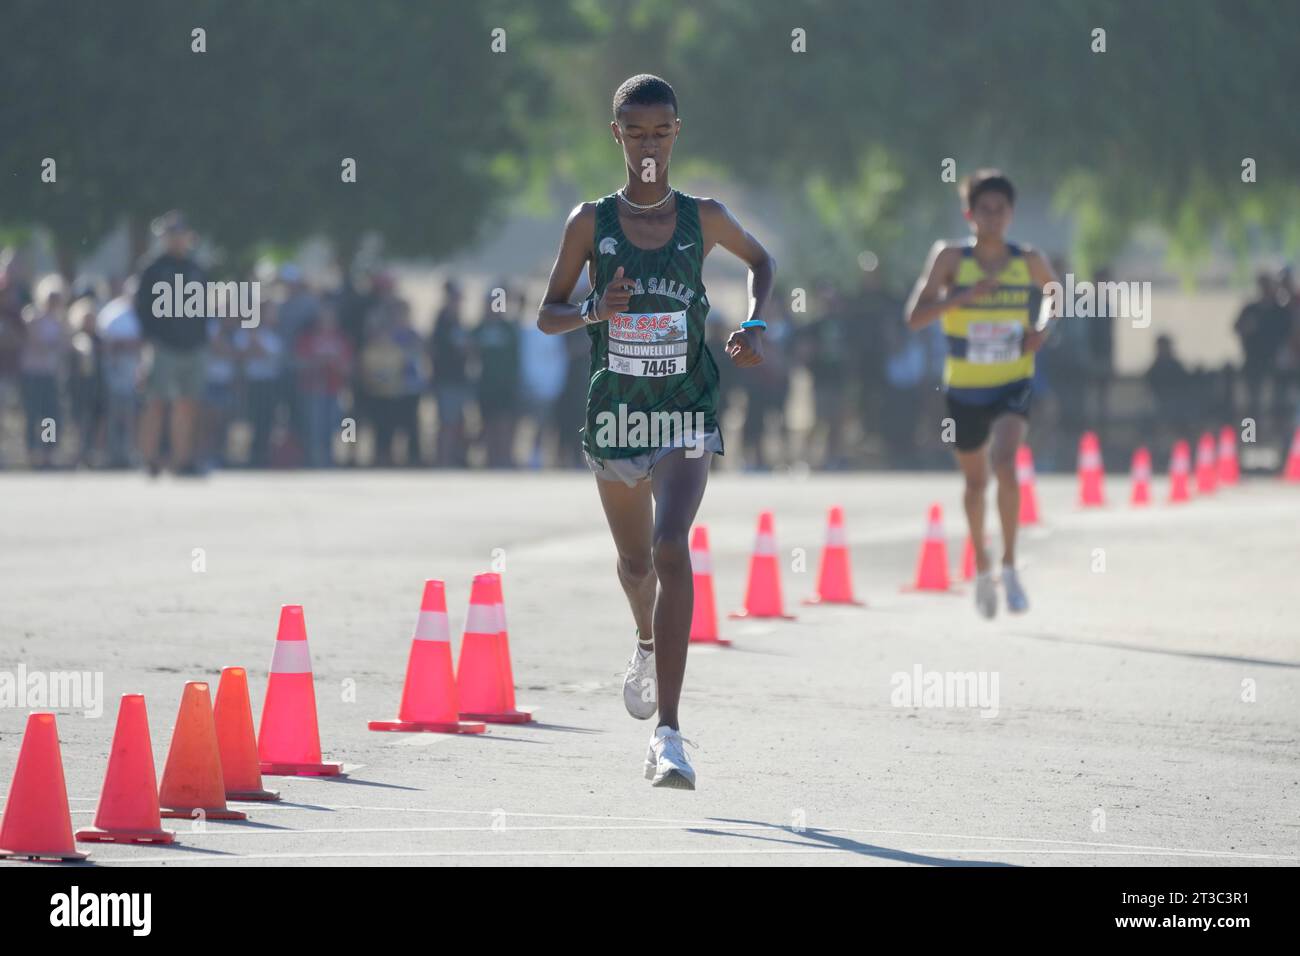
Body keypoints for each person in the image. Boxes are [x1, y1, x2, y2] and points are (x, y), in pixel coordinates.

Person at [536, 74, 773, 789]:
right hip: (616, 414)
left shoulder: (705, 216)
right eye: (635, 131)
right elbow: (547, 311)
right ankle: (645, 639)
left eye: (660, 130)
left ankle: (668, 736)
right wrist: (590, 314)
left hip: (686, 409)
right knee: (637, 566)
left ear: (677, 133)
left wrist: (756, 320)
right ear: (617, 135)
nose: (648, 143)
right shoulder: (590, 222)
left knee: (674, 547)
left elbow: (761, 262)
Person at [905, 169, 1057, 618]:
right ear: (969, 213)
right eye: (984, 210)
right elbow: (915, 316)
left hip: (1013, 380)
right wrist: (965, 296)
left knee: (1007, 464)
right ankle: (982, 564)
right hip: (966, 388)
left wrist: (1042, 329)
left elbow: (1055, 294)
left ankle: (1009, 566)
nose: (992, 218)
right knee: (975, 483)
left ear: (1012, 214)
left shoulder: (1028, 258)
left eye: (1001, 210)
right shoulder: (950, 258)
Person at [134, 211, 210, 476]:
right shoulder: (152, 268)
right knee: (156, 403)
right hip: (162, 345)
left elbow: (203, 309)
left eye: (180, 234)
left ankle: (182, 460)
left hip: (193, 346)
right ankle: (150, 458)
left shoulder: (196, 268)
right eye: (171, 235)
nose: (177, 240)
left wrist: (203, 341)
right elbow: (142, 310)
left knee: (187, 403)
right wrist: (148, 345)